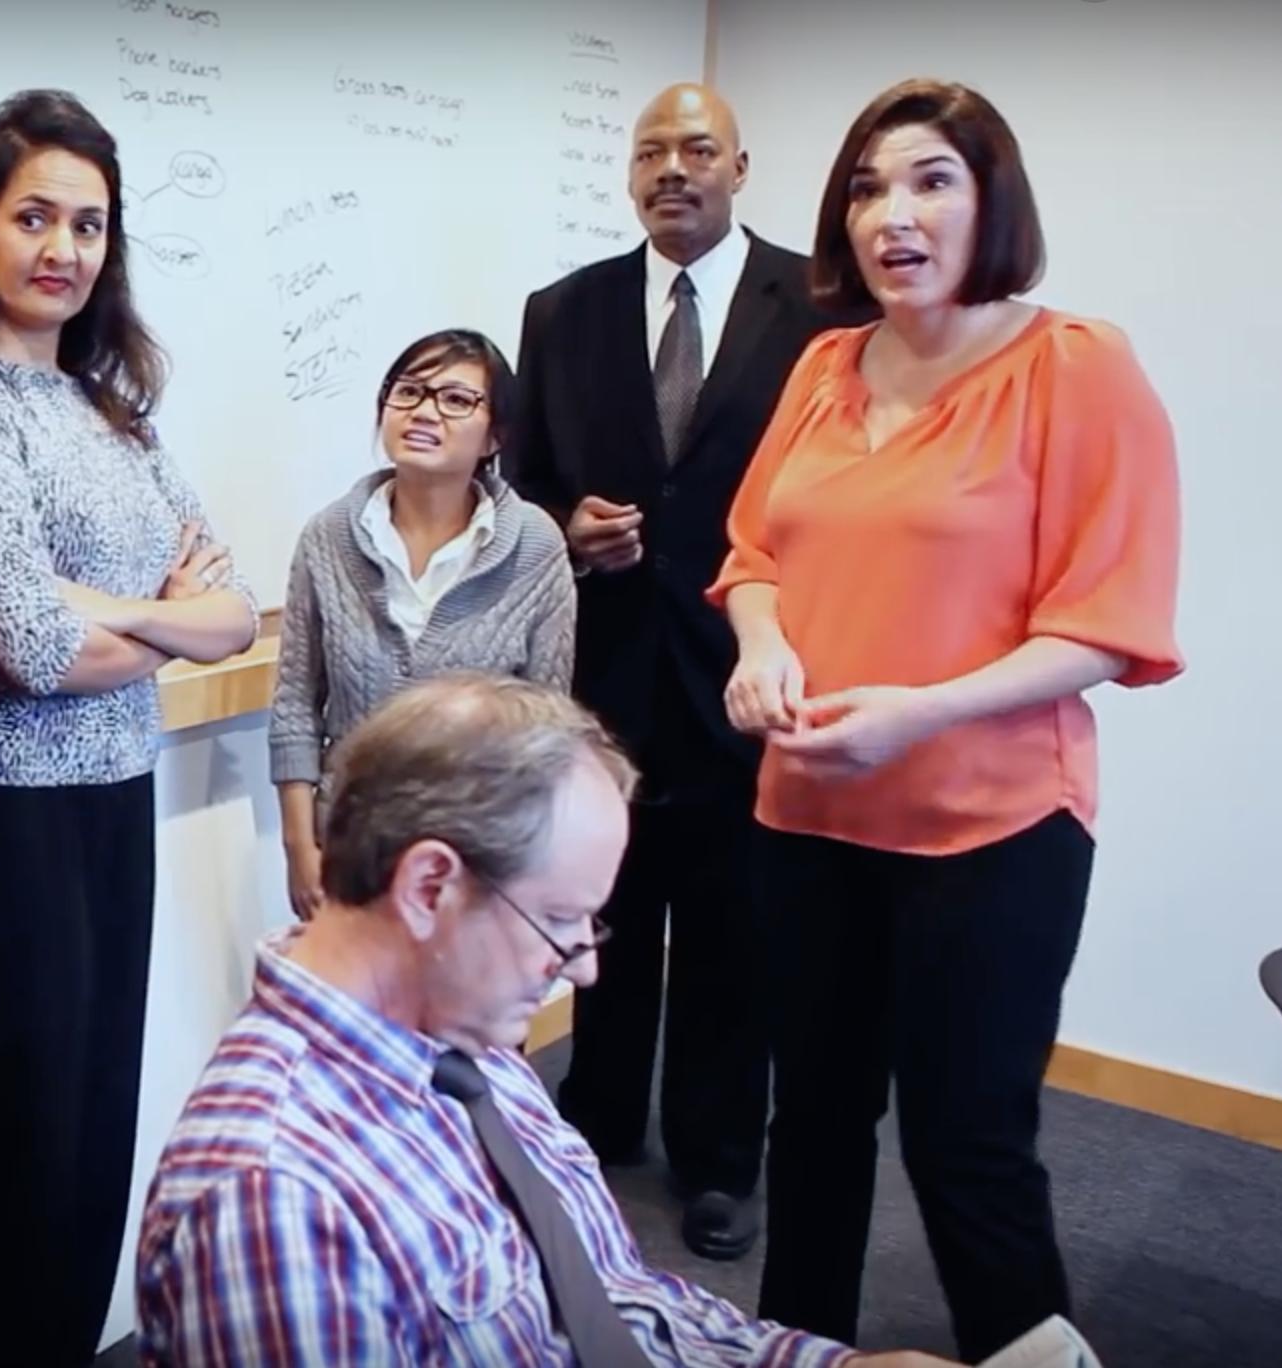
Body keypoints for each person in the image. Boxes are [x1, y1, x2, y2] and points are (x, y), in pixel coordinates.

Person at [715, 78, 1181, 1360]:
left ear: (991, 203)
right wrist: (759, 648)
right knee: (806, 1123)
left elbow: (1107, 619)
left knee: (966, 1142)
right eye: (866, 186)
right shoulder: (821, 363)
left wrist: (917, 714)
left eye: (928, 181)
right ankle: (796, 1349)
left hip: (992, 826)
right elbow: (751, 550)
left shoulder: (1073, 365)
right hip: (806, 808)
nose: (890, 214)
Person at [135, 674, 959, 1368]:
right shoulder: (275, 1203)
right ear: (430, 888)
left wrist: (822, 1363)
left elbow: (614, 1297)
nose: (585, 966)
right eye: (562, 925)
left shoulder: (460, 1036)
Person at [0, 88, 258, 1367]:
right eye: (32, 216)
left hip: (114, 794)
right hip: (7, 805)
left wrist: (141, 616)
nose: (61, 246)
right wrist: (158, 612)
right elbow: (27, 648)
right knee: (27, 1132)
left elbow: (234, 616)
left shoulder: (114, 405)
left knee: (99, 1115)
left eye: (87, 224)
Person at [508, 81, 853, 1260]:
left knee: (729, 933)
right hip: (604, 677)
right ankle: (596, 1125)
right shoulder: (561, 312)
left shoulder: (819, 308)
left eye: (695, 148)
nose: (671, 169)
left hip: (747, 672)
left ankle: (718, 1160)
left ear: (739, 165)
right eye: (649, 151)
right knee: (598, 914)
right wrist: (563, 527)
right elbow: (526, 483)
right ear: (627, 174)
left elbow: (842, 493)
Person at [272, 328, 573, 921]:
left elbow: (547, 729)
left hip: (479, 859)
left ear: (496, 435)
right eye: (408, 392)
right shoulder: (329, 537)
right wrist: (298, 846)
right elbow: (294, 706)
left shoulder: (535, 546)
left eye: (456, 399)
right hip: (353, 845)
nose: (425, 411)